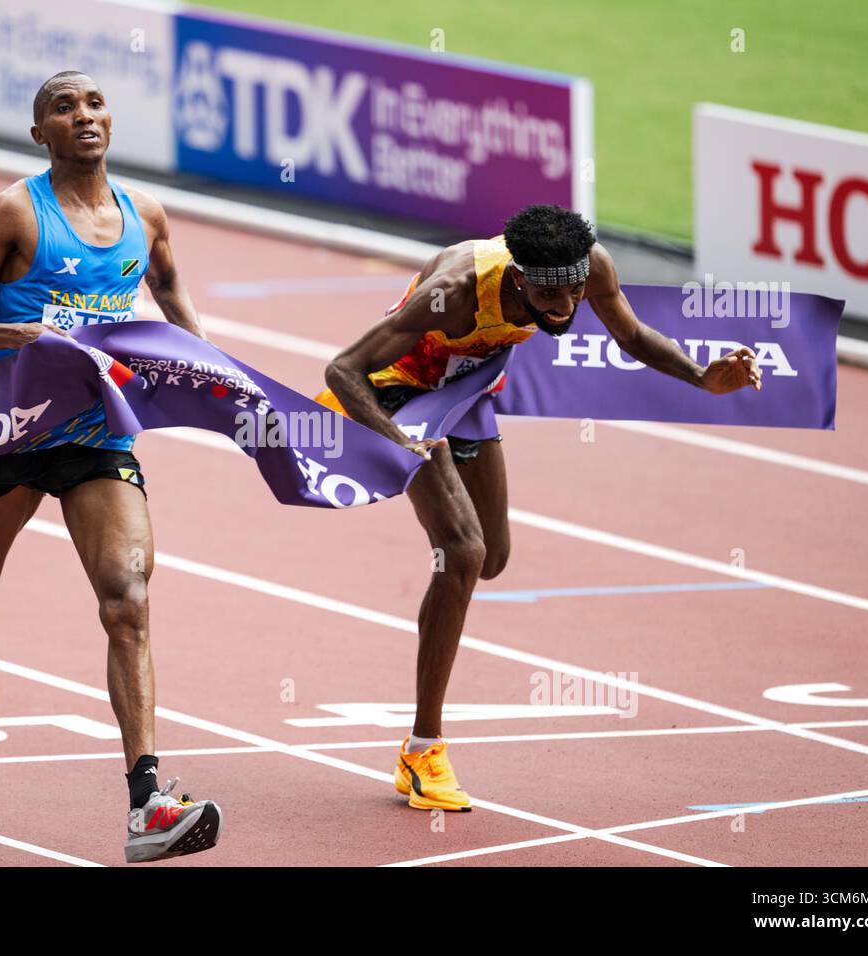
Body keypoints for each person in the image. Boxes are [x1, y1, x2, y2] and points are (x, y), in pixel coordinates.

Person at [318, 204, 762, 812]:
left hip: (465, 386)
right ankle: (422, 752)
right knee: (462, 550)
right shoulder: (453, 291)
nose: (564, 306)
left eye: (574, 290)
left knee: (491, 557)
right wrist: (403, 445)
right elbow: (342, 370)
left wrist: (700, 377)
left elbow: (630, 336)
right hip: (397, 391)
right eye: (549, 294)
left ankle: (444, 595)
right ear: (519, 276)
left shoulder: (586, 268)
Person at [0, 71, 221, 863]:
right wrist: (18, 336)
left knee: (128, 597)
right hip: (15, 431)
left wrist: (207, 365)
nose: (85, 116)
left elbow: (171, 293)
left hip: (100, 438)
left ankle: (149, 803)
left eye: (95, 103)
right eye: (64, 108)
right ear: (42, 134)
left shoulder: (146, 215)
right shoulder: (12, 213)